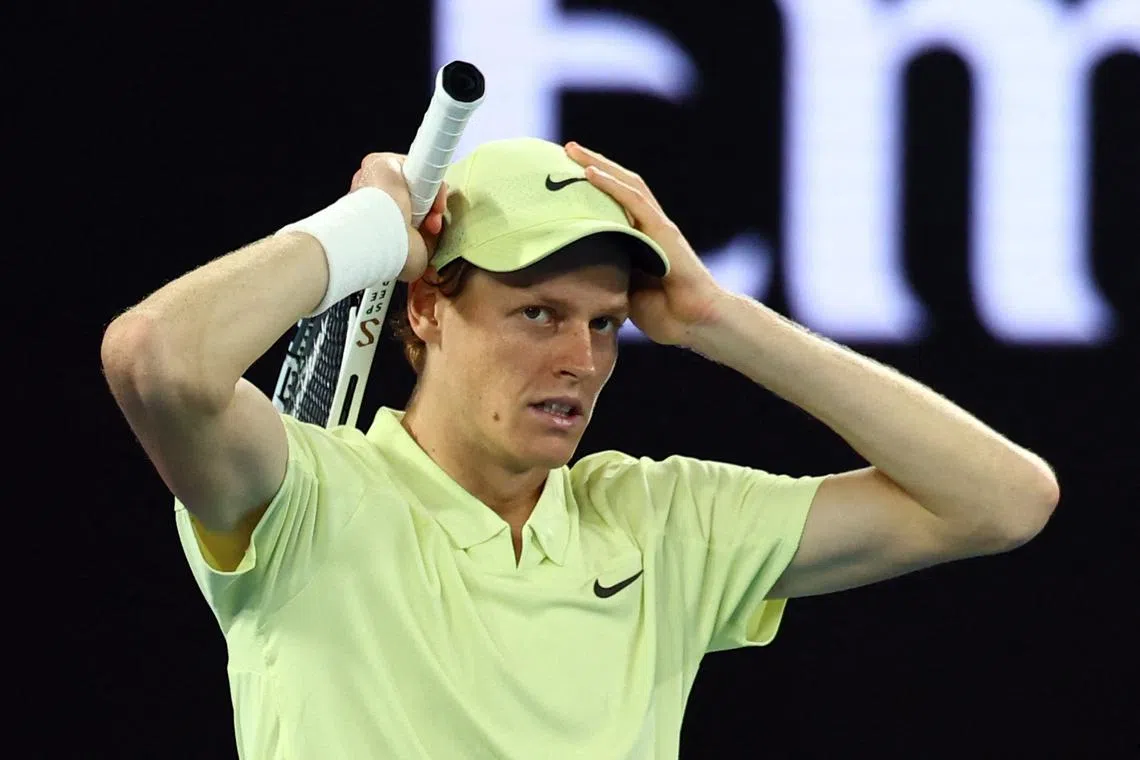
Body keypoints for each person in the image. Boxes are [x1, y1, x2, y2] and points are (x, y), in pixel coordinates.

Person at [101, 136, 1060, 759]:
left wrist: (717, 316)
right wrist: (368, 230)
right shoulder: (301, 492)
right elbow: (157, 360)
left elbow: (1001, 501)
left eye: (606, 325)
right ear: (428, 307)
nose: (579, 360)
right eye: (537, 313)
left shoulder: (661, 524)